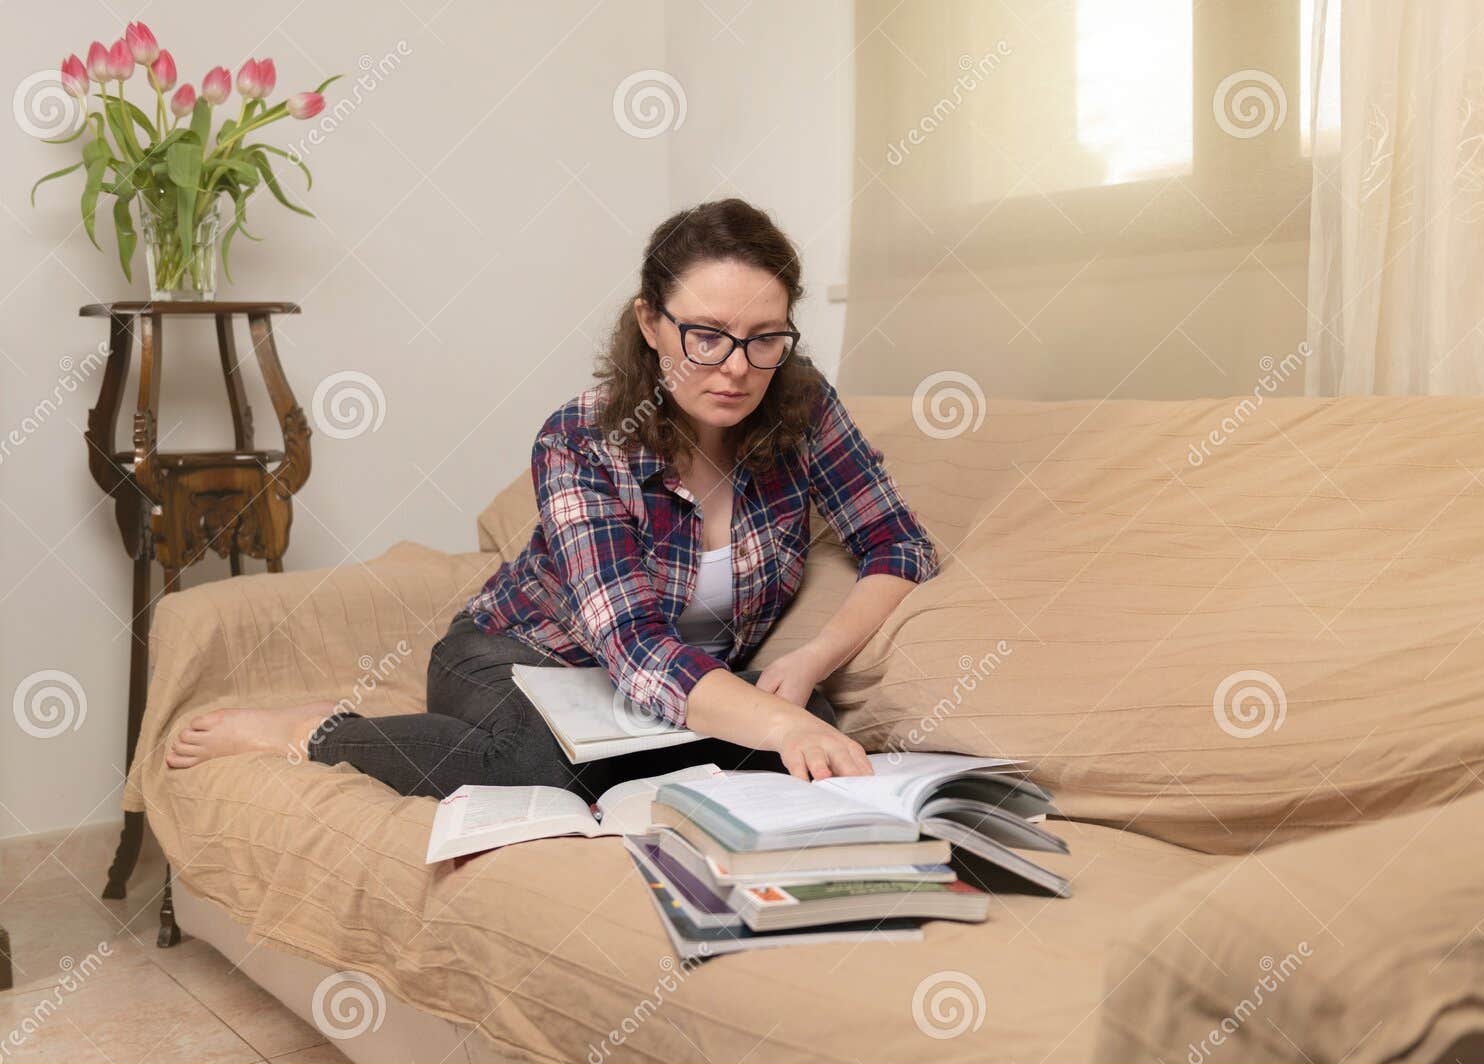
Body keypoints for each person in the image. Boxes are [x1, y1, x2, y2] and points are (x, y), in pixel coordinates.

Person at [165, 198, 940, 800]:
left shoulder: (801, 403)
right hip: (515, 655)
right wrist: (774, 721)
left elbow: (898, 544)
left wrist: (809, 663)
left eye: (765, 338)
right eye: (706, 335)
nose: (737, 367)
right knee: (540, 767)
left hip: (674, 683)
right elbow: (635, 648)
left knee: (805, 738)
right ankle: (318, 732)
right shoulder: (581, 441)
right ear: (650, 324)